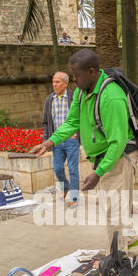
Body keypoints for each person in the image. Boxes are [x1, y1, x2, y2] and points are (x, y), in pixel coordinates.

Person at [30, 49, 138, 253]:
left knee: (114, 212)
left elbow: (118, 142)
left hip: (118, 157)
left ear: (91, 71)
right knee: (114, 206)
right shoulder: (82, 91)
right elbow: (72, 121)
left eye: (76, 75)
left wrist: (98, 173)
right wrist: (49, 143)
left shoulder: (111, 97)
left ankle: (117, 261)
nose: (74, 80)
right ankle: (129, 237)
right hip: (103, 157)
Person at [41, 72, 80, 207]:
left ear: (65, 83)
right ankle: (65, 187)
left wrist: (77, 134)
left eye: (57, 82)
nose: (54, 84)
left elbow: (81, 117)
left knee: (73, 169)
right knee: (57, 169)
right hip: (56, 140)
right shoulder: (49, 99)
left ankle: (74, 198)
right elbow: (45, 122)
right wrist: (46, 141)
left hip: (71, 140)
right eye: (53, 82)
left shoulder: (73, 97)